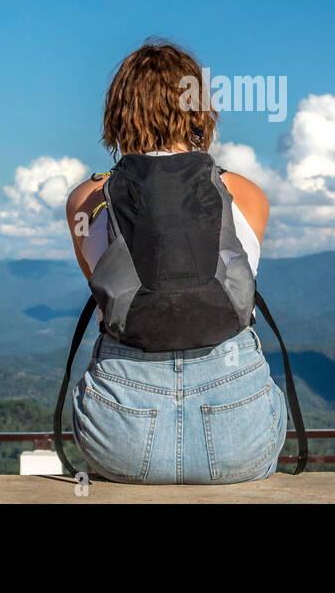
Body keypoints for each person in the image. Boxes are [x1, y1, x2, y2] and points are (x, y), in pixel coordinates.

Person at [62, 39, 290, 483]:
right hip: (238, 431)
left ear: (117, 117)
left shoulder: (85, 201)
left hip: (121, 433)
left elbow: (106, 290)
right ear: (201, 115)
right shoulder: (247, 195)